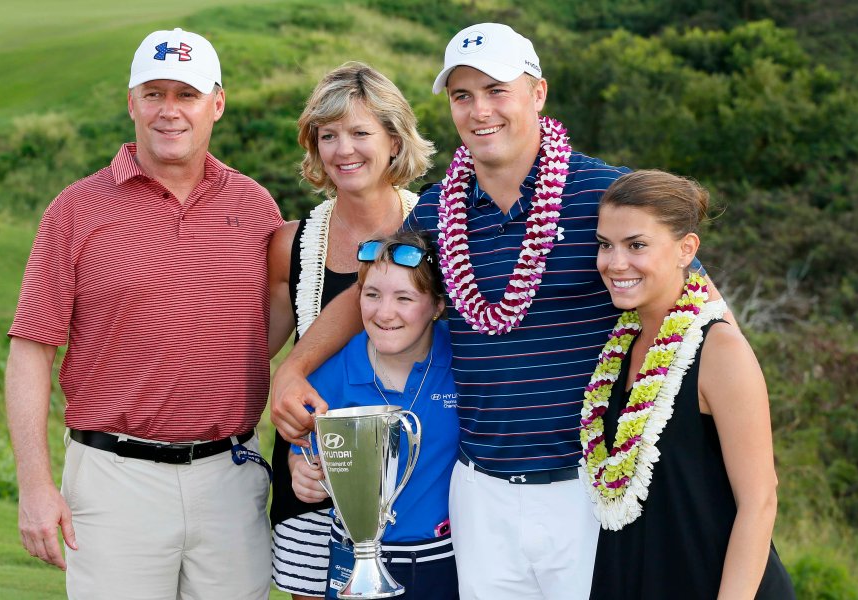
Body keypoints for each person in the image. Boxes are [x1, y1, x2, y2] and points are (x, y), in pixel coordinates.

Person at [271, 22, 669, 599]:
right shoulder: (439, 211)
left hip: (582, 486)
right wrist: (293, 367)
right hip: (479, 496)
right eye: (462, 96)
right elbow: (369, 293)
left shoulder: (608, 196)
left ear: (538, 93)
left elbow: (690, 311)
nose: (480, 110)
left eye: (496, 90)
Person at [5, 28, 282, 600]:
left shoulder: (253, 205)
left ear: (218, 103)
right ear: (130, 102)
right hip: (114, 478)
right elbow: (31, 349)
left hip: (230, 475)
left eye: (187, 95)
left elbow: (265, 328)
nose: (170, 111)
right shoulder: (77, 208)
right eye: (153, 94)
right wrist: (33, 484)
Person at [267, 62, 434, 600]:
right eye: (328, 135)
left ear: (393, 138)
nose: (344, 150)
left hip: (419, 476)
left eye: (360, 132)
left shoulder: (434, 229)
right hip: (310, 471)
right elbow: (253, 351)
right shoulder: (290, 244)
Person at [586, 170, 794, 599]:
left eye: (637, 245)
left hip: (714, 581)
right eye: (605, 244)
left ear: (686, 249)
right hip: (635, 575)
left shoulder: (720, 350)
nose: (615, 262)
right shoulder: (620, 344)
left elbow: (760, 501)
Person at [290, 231, 459, 599]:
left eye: (405, 298)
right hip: (354, 560)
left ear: (437, 305)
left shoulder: (463, 363)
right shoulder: (331, 374)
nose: (385, 313)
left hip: (446, 560)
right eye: (372, 295)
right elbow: (305, 450)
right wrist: (302, 473)